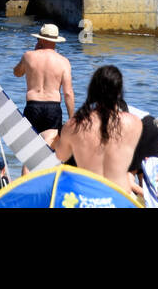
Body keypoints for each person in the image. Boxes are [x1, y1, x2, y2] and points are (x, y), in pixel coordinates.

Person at [55, 65, 142, 194]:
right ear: (119, 92)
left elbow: (61, 155)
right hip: (119, 196)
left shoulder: (74, 125)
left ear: (92, 91)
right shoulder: (134, 123)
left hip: (87, 196)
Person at [13, 23, 75, 139]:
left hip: (33, 106)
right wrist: (72, 119)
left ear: (40, 39)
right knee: (51, 147)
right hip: (53, 109)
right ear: (55, 41)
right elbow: (68, 93)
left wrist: (33, 54)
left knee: (30, 146)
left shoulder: (28, 56)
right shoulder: (64, 62)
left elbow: (17, 73)